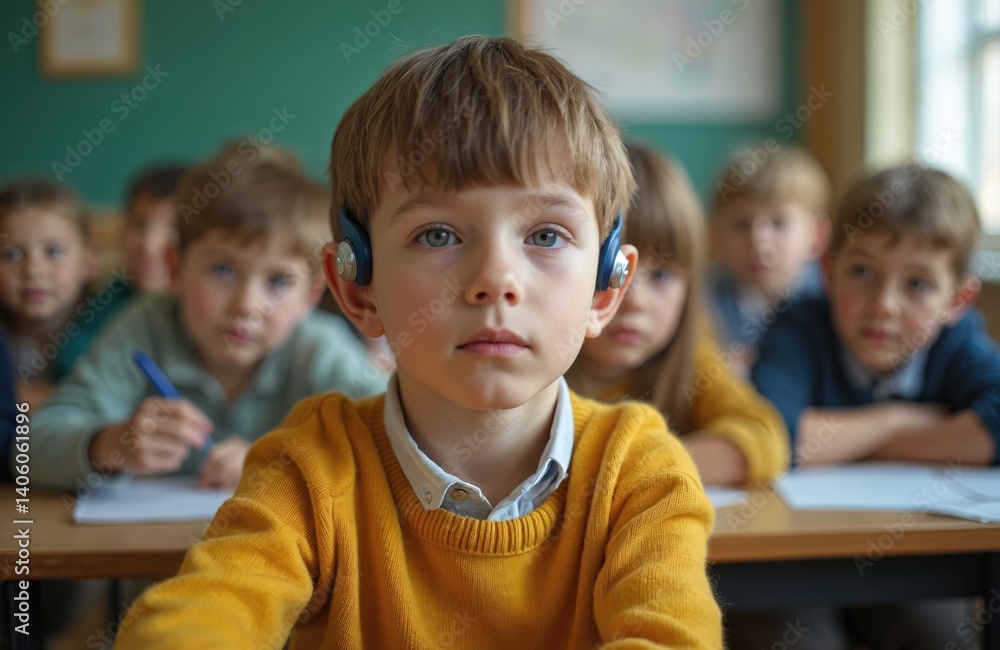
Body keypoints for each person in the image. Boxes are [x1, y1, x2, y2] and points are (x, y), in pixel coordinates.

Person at [115, 35, 723, 649]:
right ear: (357, 290)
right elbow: (201, 619)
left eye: (545, 234)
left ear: (605, 289)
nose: (496, 281)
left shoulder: (641, 475)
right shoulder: (306, 470)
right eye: (437, 235)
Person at [26, 143, 386, 491]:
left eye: (277, 280)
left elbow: (391, 438)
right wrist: (108, 445)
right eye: (223, 270)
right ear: (175, 267)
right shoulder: (145, 326)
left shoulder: (317, 346)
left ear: (309, 295)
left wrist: (285, 457)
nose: (247, 305)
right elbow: (32, 448)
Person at [740, 164, 995, 650]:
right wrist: (898, 418)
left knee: (944, 638)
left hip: (912, 555)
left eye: (916, 285)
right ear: (829, 272)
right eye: (862, 273)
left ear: (956, 300)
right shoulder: (798, 327)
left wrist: (849, 441)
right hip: (793, 555)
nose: (884, 304)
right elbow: (776, 435)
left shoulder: (957, 343)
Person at [568, 143, 787, 487]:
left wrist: (627, 469)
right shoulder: (534, 369)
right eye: (612, 270)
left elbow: (765, 439)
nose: (636, 301)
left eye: (662, 276)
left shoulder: (692, 362)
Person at [706, 145, 831, 373]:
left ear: (816, 236)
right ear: (715, 235)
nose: (758, 240)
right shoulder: (701, 297)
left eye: (779, 223)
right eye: (741, 224)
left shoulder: (833, 300)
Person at [0, 178, 108, 407]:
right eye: (12, 255)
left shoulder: (112, 329)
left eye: (54, 252)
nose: (33, 271)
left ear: (89, 259)